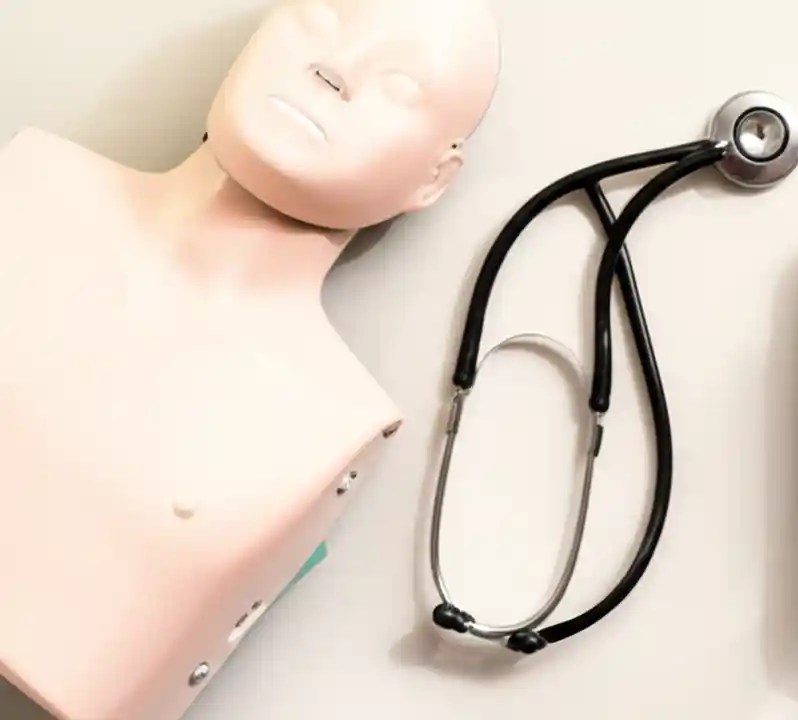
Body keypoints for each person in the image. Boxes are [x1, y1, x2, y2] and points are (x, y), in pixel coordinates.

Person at [0, 2, 500, 719]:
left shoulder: (334, 421)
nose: (334, 70)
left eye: (399, 87)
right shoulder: (27, 180)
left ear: (434, 179)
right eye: (320, 20)